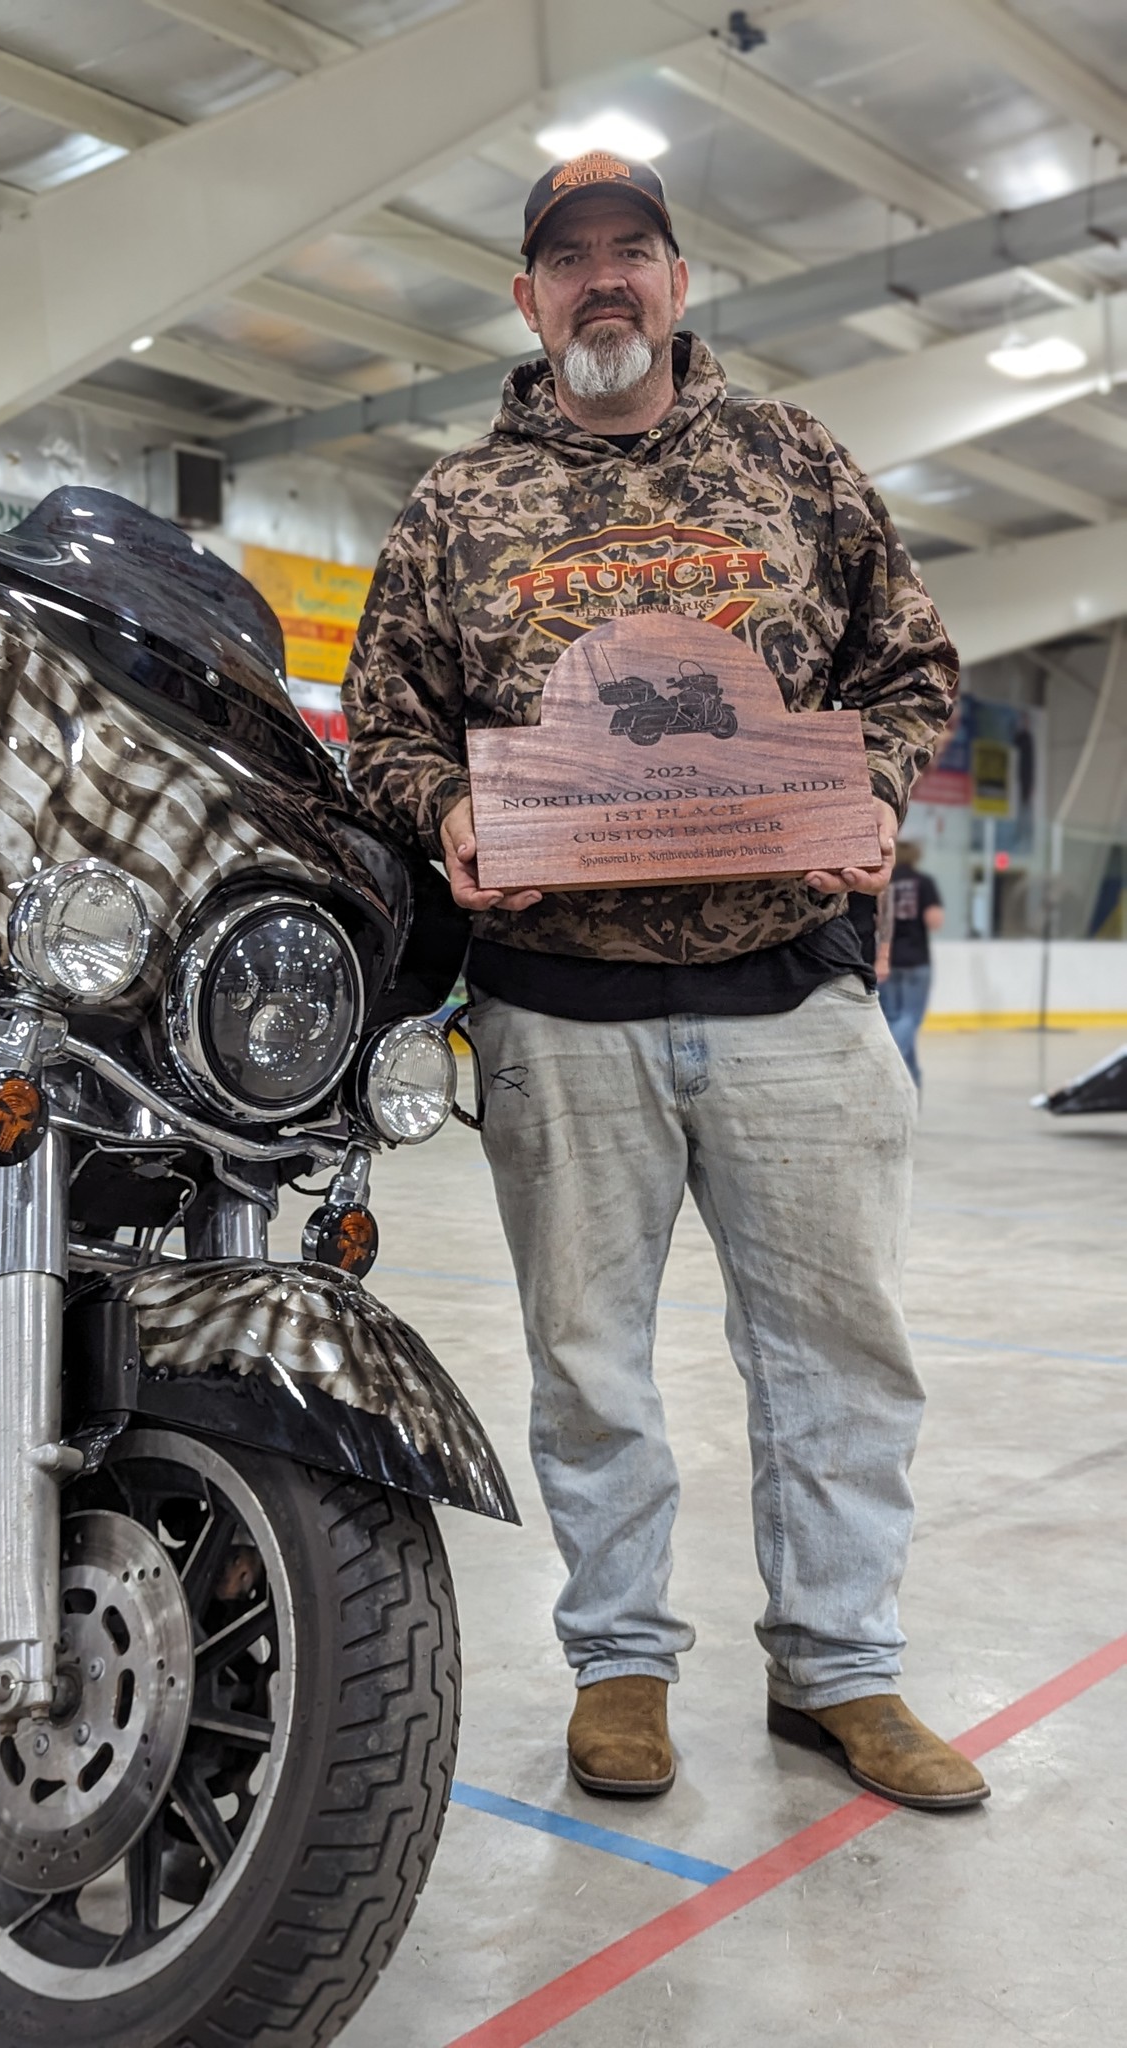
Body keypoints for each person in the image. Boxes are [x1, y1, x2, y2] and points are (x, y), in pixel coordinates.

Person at [343, 152, 984, 1812]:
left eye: (634, 249)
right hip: (559, 1010)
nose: (605, 280)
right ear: (529, 297)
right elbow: (384, 725)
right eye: (573, 259)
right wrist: (451, 810)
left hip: (795, 991)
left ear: (679, 282)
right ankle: (618, 1661)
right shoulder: (454, 505)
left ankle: (839, 1669)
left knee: (839, 1356)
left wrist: (874, 792)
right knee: (590, 1365)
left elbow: (906, 668)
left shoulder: (795, 461)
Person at [880, 843, 944, 1085]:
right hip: (916, 959)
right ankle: (888, 1065)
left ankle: (911, 1079)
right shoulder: (923, 882)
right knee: (910, 1018)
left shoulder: (884, 881)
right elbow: (934, 920)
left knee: (894, 1016)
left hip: (887, 959)